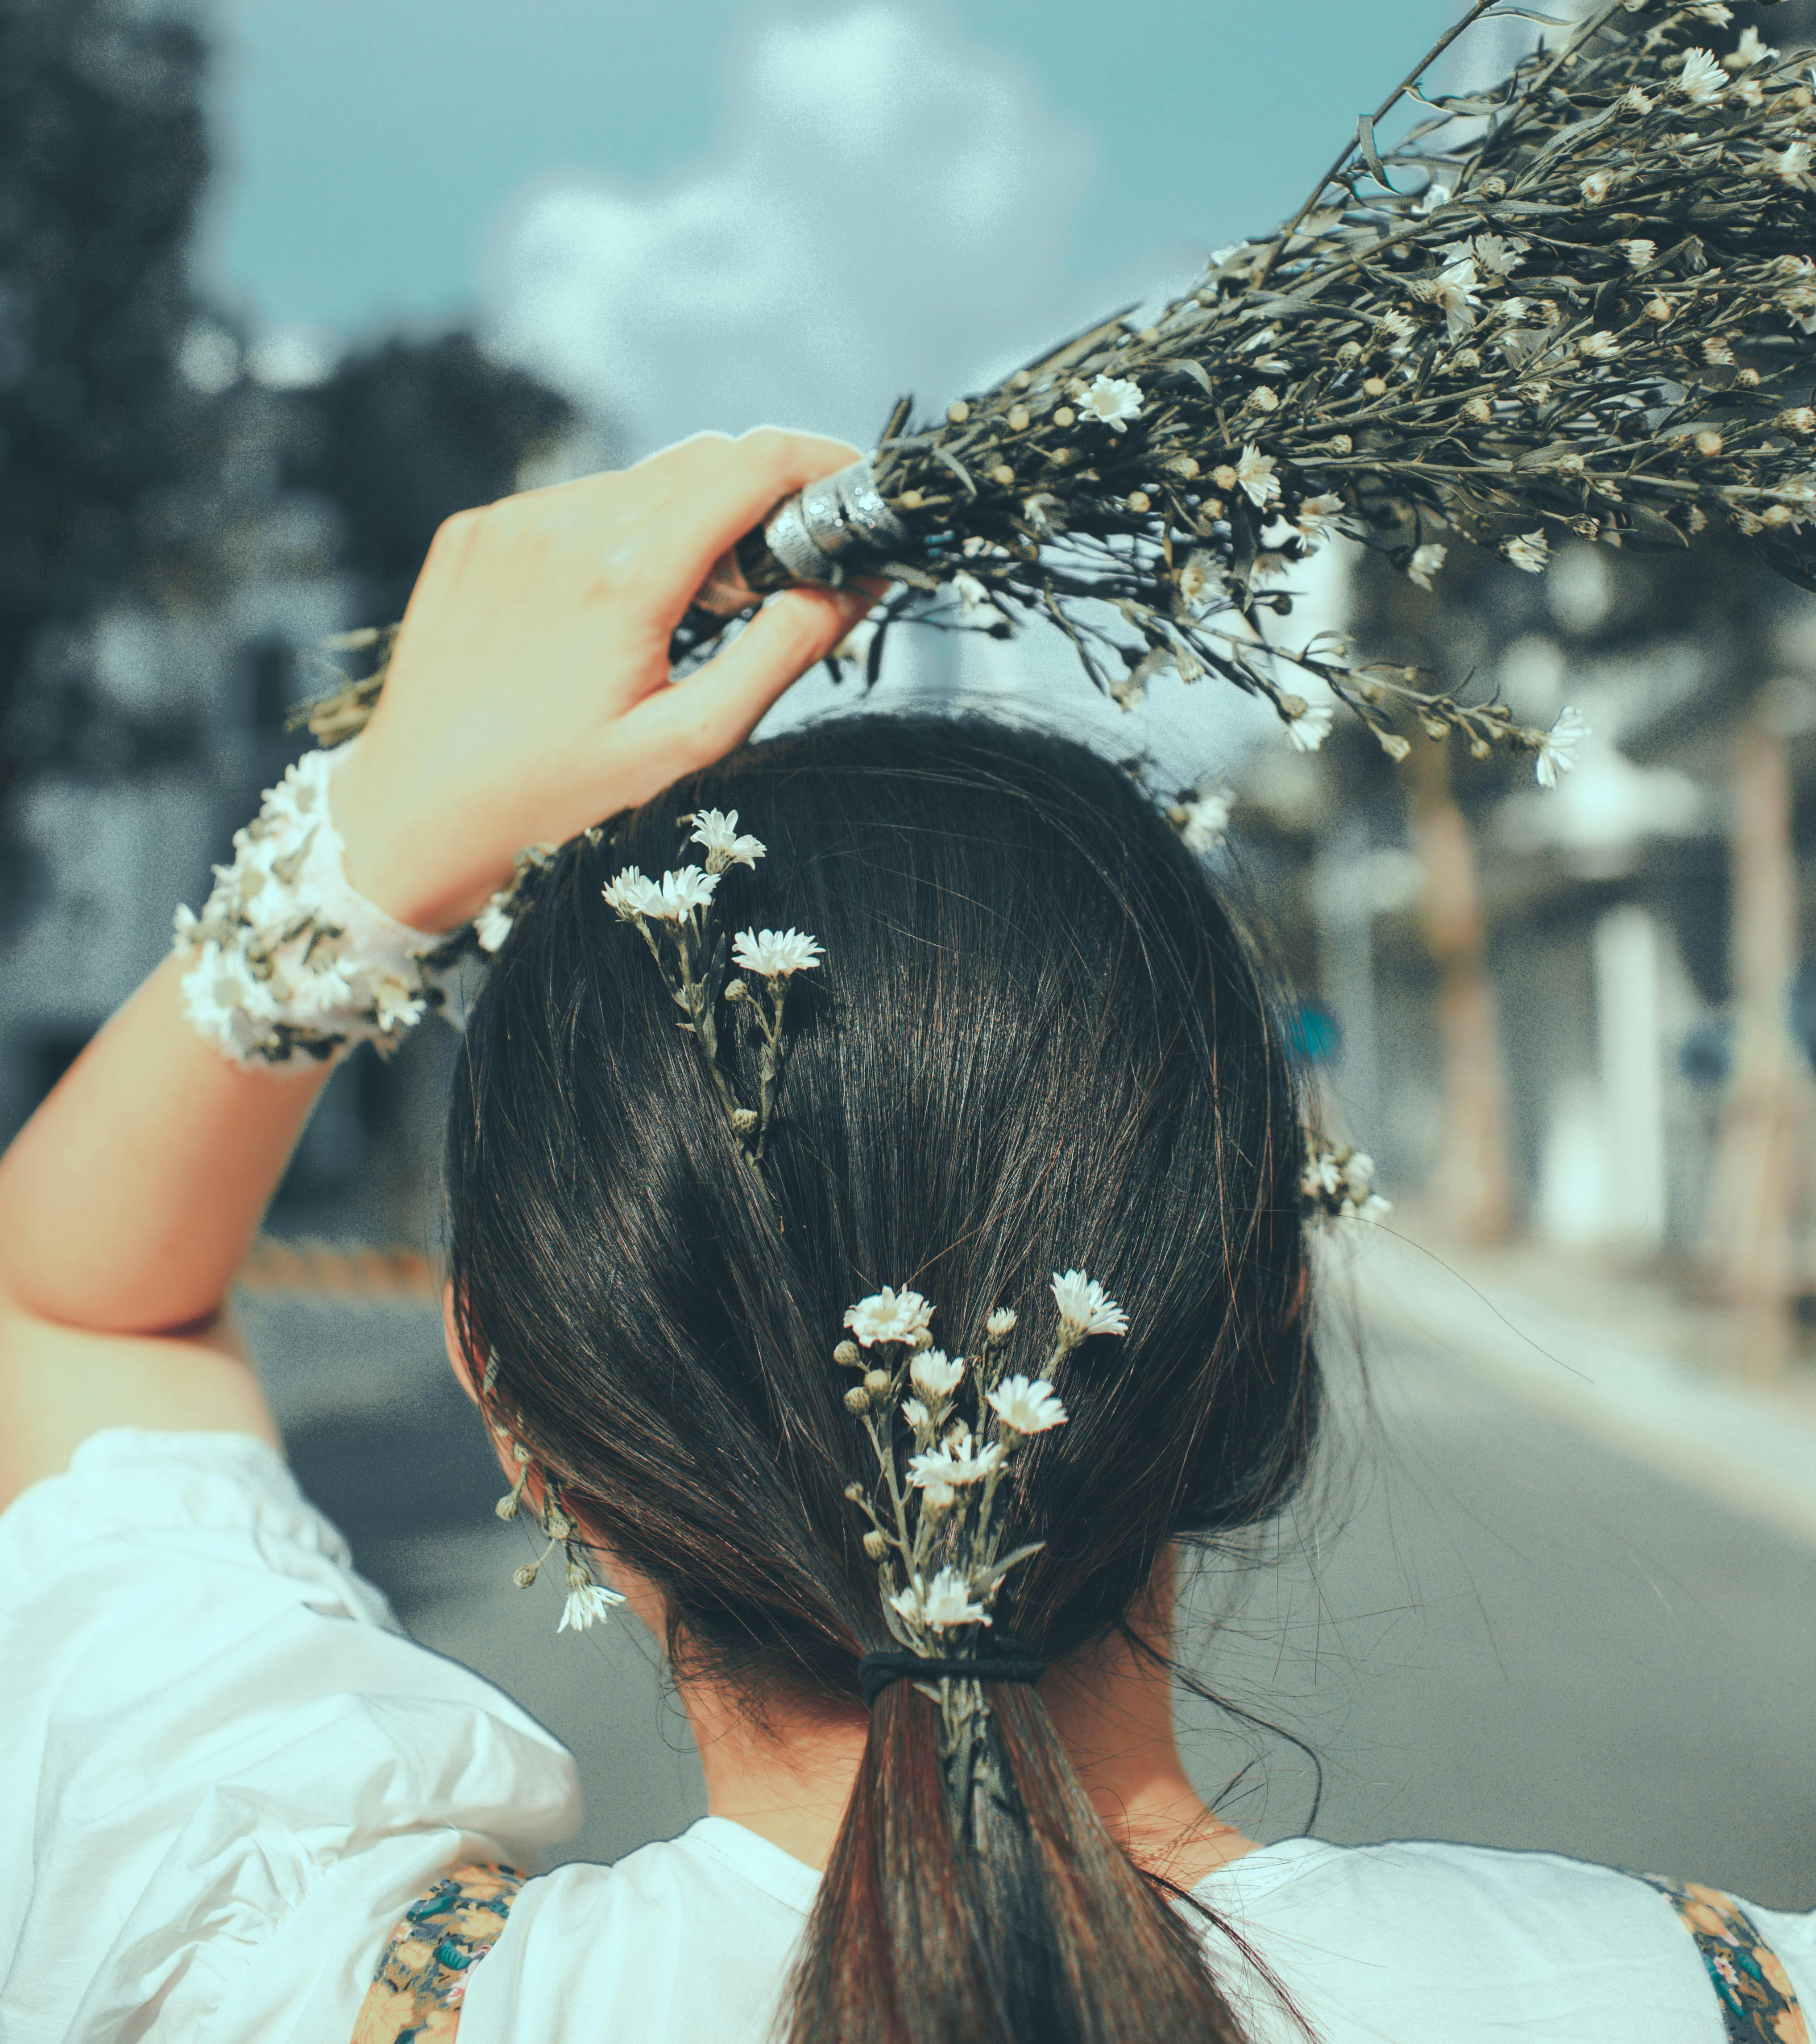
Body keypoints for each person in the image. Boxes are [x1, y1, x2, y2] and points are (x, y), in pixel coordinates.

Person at [0, 426, 1808, 2044]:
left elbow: (76, 1300)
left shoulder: (284, 1985)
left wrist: (389, 820)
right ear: (1262, 1297)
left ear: (513, 1395)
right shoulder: (1736, 1997)